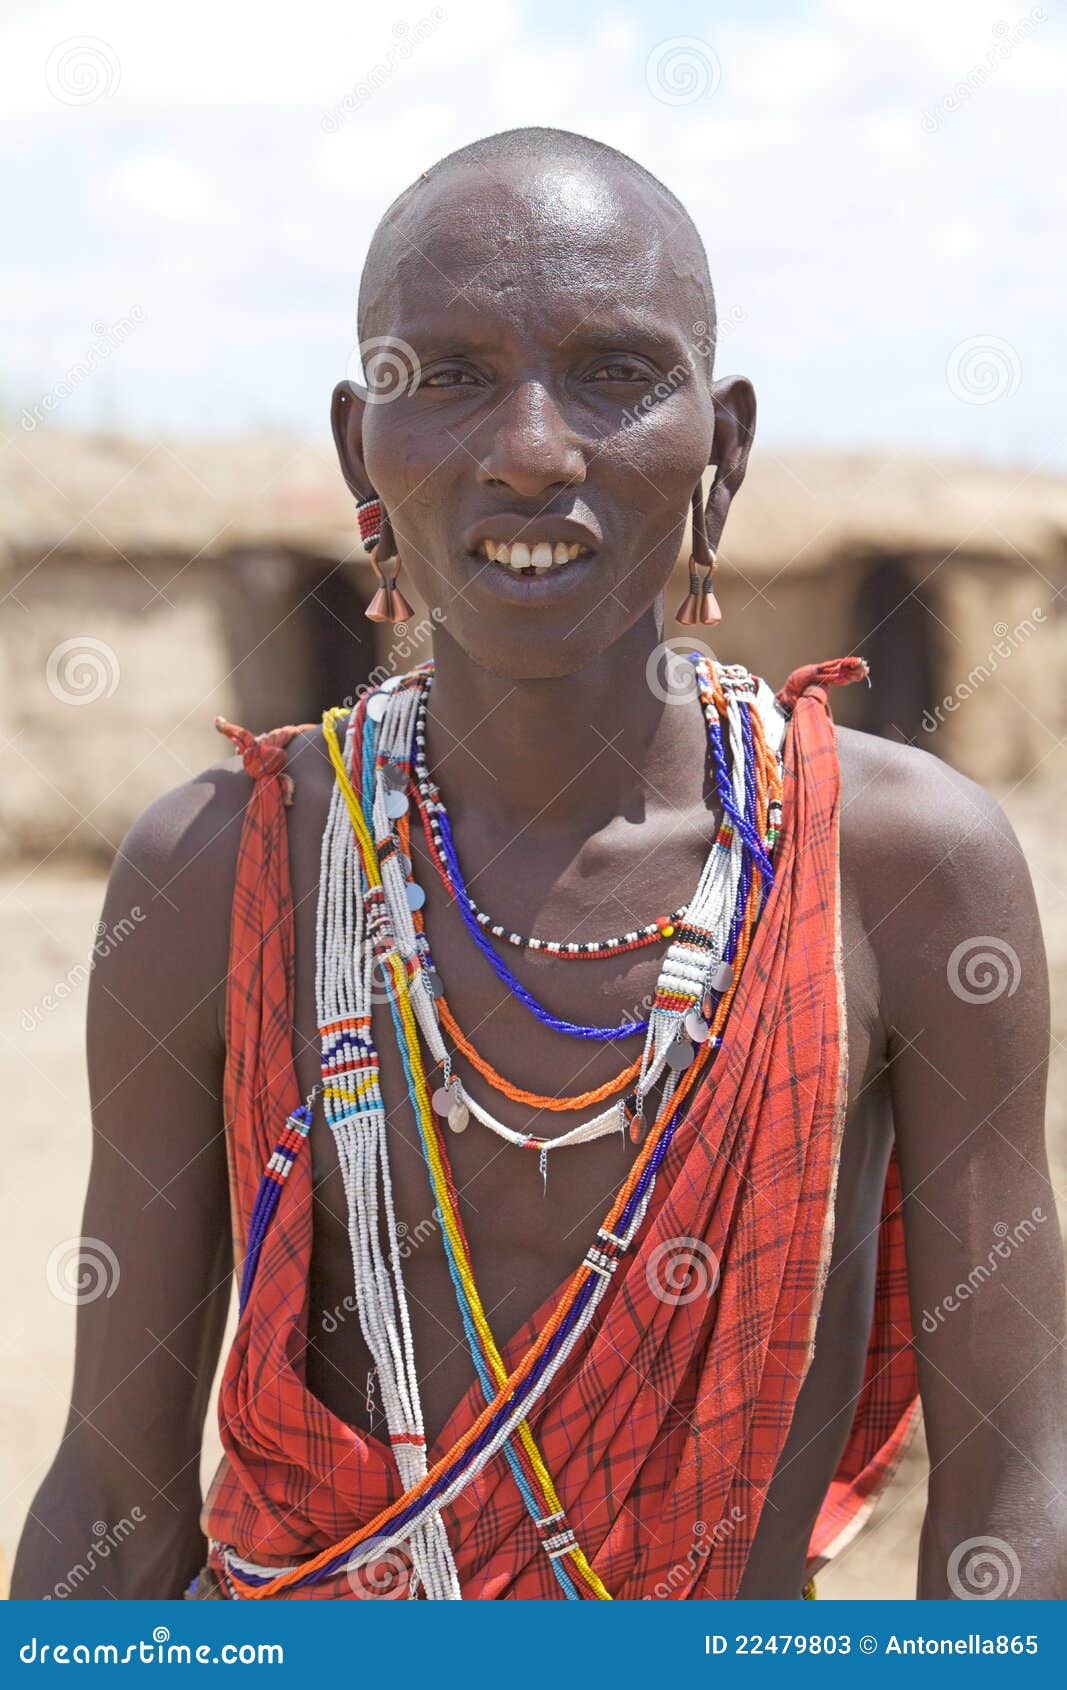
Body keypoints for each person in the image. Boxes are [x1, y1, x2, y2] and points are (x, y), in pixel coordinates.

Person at [13, 128, 1065, 1601]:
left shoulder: (905, 871)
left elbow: (1019, 1482)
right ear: (353, 449)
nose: (529, 449)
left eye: (616, 374)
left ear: (728, 446)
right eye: (445, 377)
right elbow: (115, 1495)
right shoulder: (224, 875)